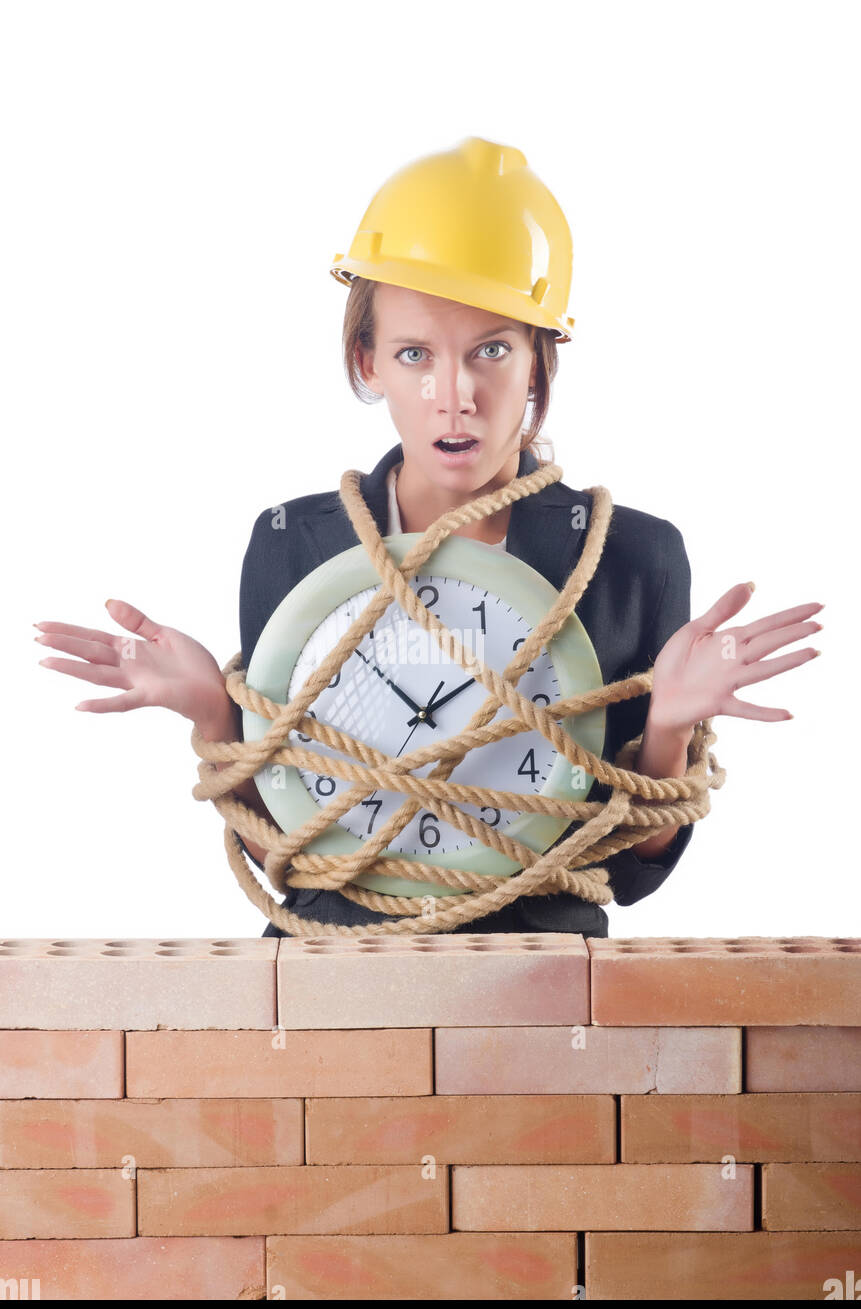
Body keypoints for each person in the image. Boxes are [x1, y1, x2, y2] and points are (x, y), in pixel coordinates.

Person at [34, 138, 824, 939]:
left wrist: (667, 731)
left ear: (538, 366)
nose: (456, 397)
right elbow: (286, 850)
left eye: (491, 350)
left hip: (536, 981)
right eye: (415, 355)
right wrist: (212, 715)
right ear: (367, 363)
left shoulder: (630, 557)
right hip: (326, 972)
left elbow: (627, 872)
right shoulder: (292, 542)